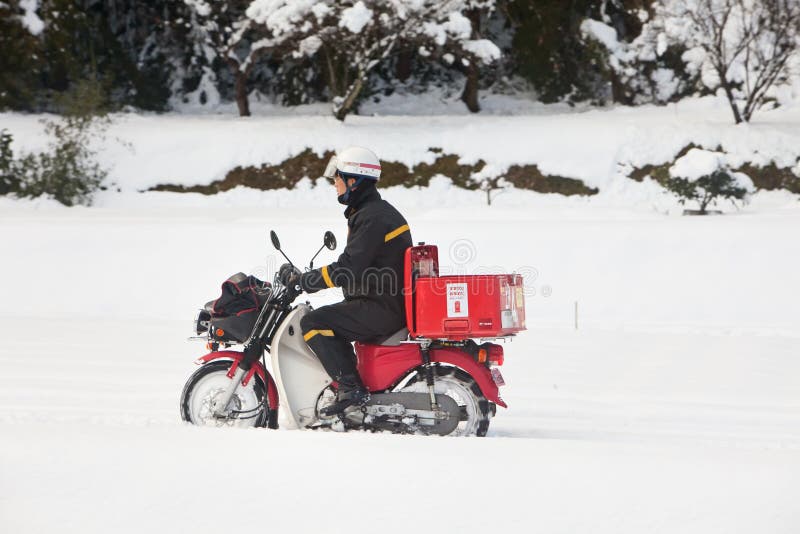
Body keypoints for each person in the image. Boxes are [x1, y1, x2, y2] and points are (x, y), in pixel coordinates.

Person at [278, 146, 412, 414]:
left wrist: (304, 282)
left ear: (355, 180)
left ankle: (351, 388)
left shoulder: (372, 217)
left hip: (381, 308)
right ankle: (349, 384)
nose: (334, 184)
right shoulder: (373, 213)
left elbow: (348, 269)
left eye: (337, 177)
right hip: (382, 302)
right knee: (328, 318)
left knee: (314, 322)